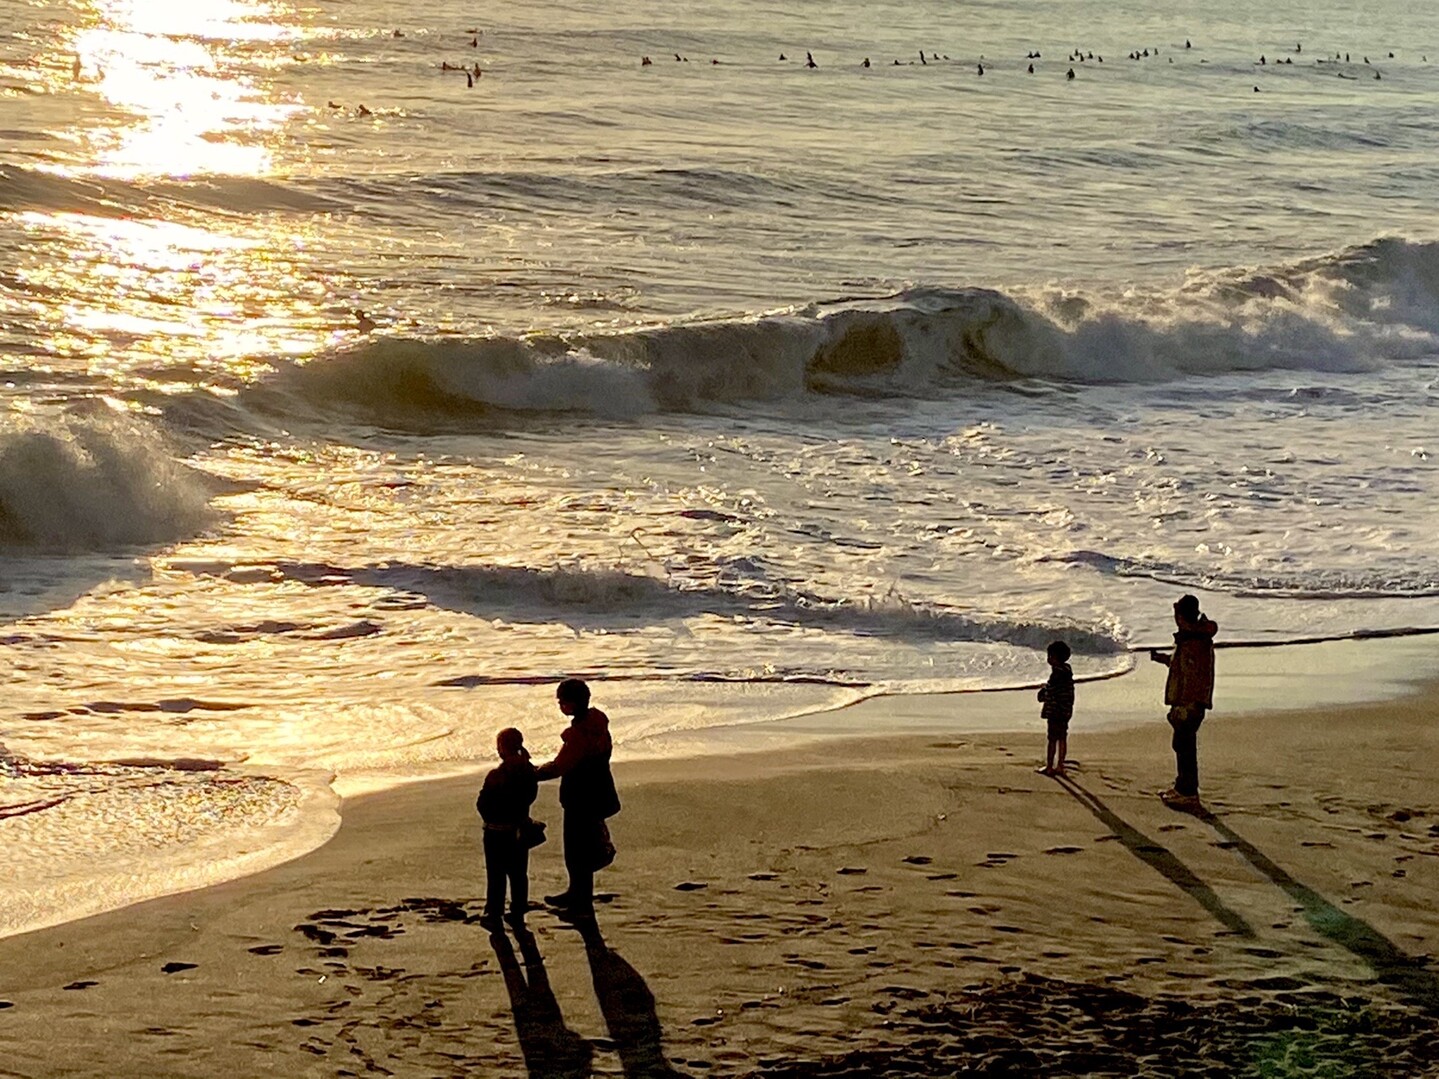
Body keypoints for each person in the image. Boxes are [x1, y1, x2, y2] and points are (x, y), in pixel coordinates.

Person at [536, 678, 620, 916]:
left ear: (571, 704)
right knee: (585, 847)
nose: (559, 705)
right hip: (599, 790)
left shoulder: (579, 735)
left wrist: (531, 774)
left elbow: (559, 766)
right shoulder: (598, 723)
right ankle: (579, 894)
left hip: (580, 796)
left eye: (561, 701)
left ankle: (579, 899)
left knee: (576, 851)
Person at [1149, 595, 1217, 809]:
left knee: (1185, 746)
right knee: (1182, 745)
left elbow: (1193, 676)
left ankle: (1187, 792)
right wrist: (1161, 658)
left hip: (1189, 704)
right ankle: (1183, 788)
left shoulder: (1194, 642)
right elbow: (1181, 665)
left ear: (1181, 616)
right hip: (1190, 702)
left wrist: (1185, 706)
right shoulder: (1192, 638)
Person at [477, 727, 539, 929]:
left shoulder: (496, 775)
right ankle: (518, 910)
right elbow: (530, 796)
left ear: (502, 748)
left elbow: (482, 804)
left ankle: (494, 912)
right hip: (518, 829)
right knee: (519, 873)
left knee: (496, 874)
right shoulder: (528, 771)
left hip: (496, 831)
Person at [1037, 640, 1074, 775]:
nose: (1048, 659)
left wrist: (1042, 693)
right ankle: (1060, 765)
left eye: (1050, 656)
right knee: (1062, 738)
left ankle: (1049, 767)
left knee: (1052, 739)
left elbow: (1050, 692)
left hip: (1055, 711)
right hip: (1065, 711)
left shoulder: (1056, 675)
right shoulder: (1067, 672)